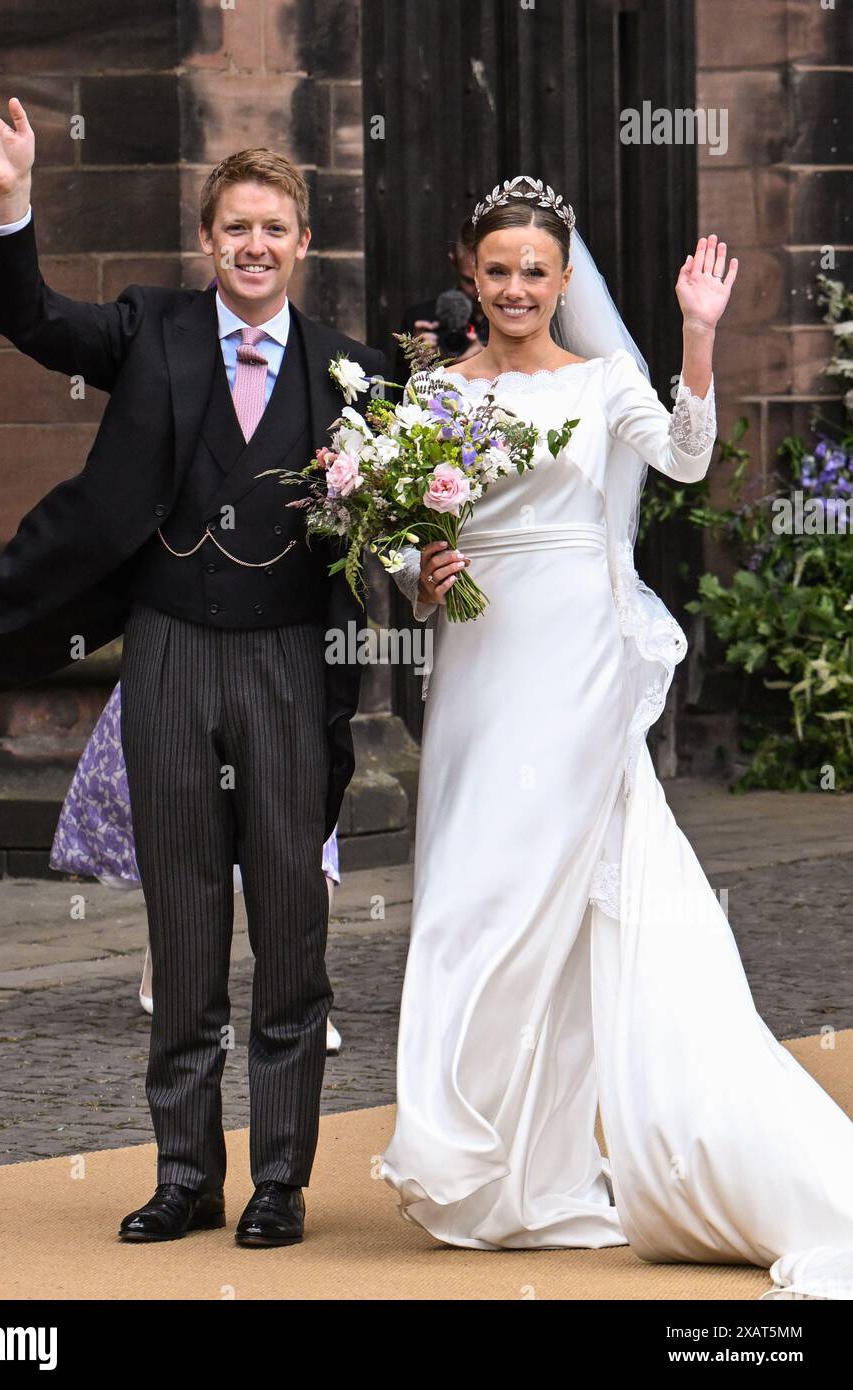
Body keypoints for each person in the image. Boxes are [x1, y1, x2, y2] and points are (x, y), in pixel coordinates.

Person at [0, 86, 385, 1247]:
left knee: (289, 929)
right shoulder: (149, 331)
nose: (255, 245)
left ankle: (277, 1177)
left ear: (302, 244)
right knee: (180, 931)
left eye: (275, 227)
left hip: (283, 661)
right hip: (167, 655)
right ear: (206, 242)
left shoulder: (355, 375)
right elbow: (32, 319)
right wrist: (14, 199)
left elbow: (438, 478)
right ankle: (185, 1173)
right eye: (236, 228)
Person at [379, 174, 853, 1300]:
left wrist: (694, 336)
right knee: (466, 893)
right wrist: (418, 574)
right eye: (495, 270)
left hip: (573, 662)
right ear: (469, 271)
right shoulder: (429, 394)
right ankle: (497, 1170)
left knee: (531, 888)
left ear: (561, 278)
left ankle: (515, 1157)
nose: (514, 289)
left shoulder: (600, 383)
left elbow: (685, 456)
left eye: (534, 271)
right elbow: (405, 552)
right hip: (476, 664)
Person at [48, 678, 344, 1052]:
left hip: (279, 671)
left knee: (309, 852)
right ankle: (169, 959)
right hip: (184, 667)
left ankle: (302, 996)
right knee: (183, 837)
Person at [391, 216, 487, 385]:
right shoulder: (421, 317)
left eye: (486, 280)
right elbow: (397, 399)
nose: (478, 291)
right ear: (453, 263)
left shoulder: (511, 319)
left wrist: (486, 359)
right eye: (469, 281)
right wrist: (420, 362)